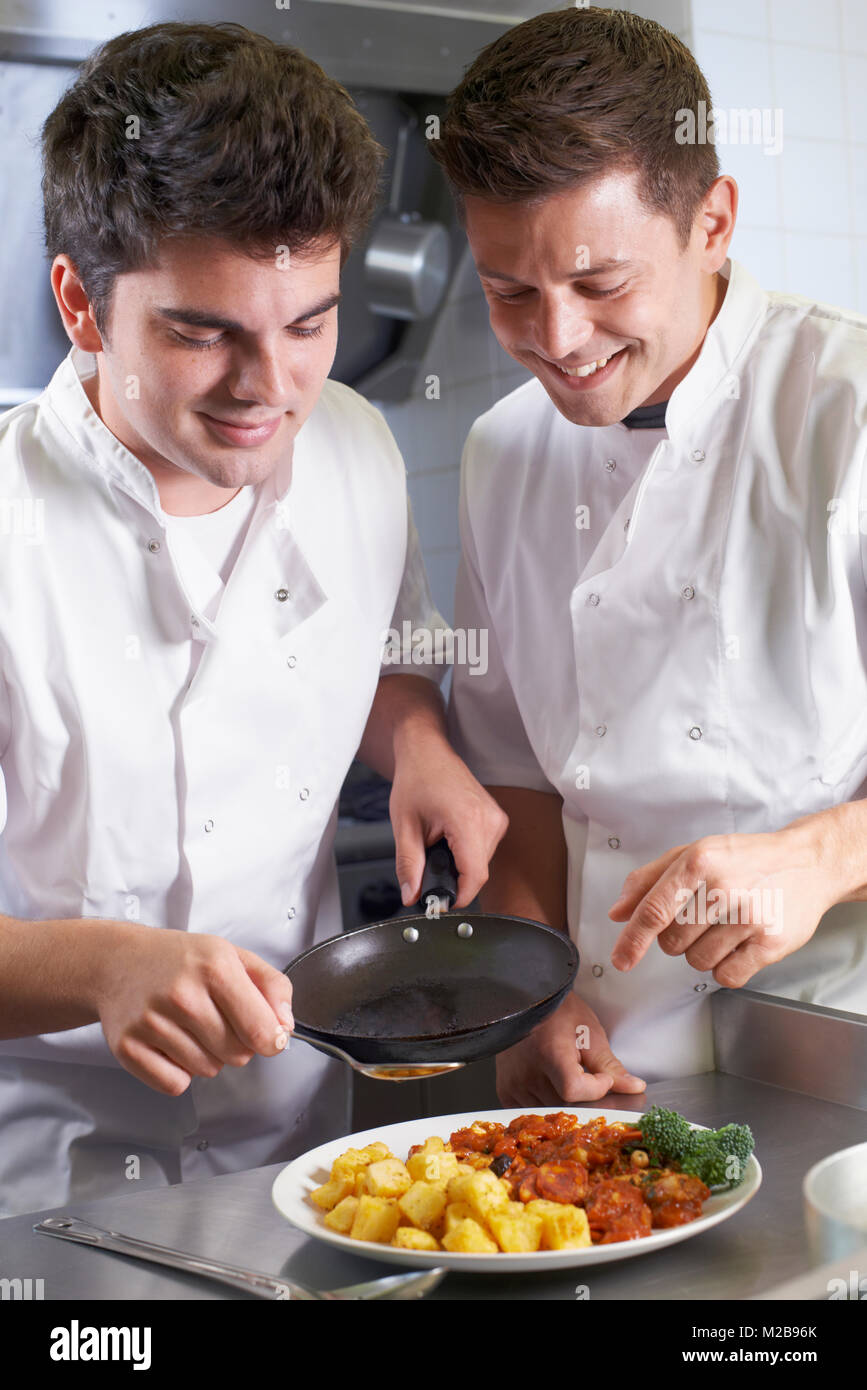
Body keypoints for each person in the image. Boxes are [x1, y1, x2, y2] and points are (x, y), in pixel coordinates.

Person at [0, 21, 506, 1217]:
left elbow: (382, 655)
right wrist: (103, 964)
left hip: (302, 1159)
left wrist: (420, 748)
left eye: (308, 324)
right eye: (202, 331)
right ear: (81, 304)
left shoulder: (355, 448)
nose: (269, 389)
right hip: (32, 1171)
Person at [432, 7, 867, 1104]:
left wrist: (819, 857)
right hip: (606, 1070)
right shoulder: (501, 454)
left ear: (712, 221)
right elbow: (516, 778)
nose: (559, 342)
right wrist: (525, 991)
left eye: (601, 285)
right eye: (509, 292)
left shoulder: (846, 413)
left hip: (833, 1046)